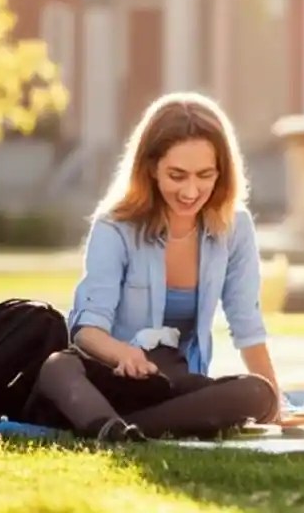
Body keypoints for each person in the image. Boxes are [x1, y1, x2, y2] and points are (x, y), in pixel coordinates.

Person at [34, 92, 281, 441]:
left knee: (258, 393)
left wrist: (275, 404)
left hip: (175, 384)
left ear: (221, 172)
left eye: (205, 175)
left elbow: (247, 323)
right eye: (177, 176)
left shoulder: (234, 227)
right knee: (58, 366)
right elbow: (87, 329)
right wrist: (123, 353)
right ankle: (111, 424)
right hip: (111, 377)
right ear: (151, 168)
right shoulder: (114, 227)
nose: (191, 191)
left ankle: (122, 431)